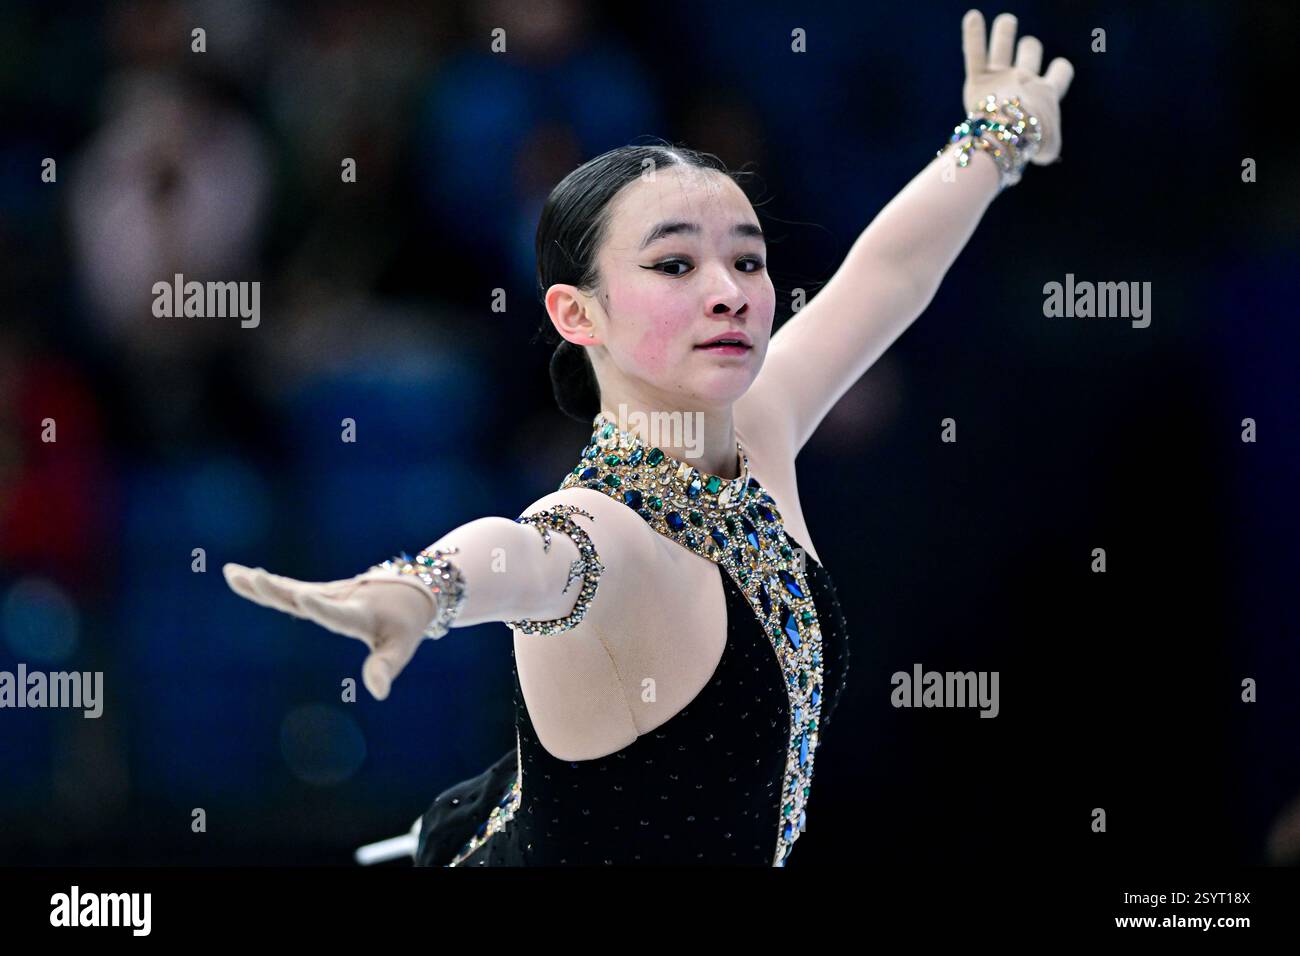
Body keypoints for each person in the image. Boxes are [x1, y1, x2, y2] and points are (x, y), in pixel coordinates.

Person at [223, 10, 1073, 866]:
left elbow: (887, 274)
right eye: (675, 265)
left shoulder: (759, 425)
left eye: (747, 261)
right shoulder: (603, 531)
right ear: (576, 311)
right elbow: (518, 556)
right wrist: (420, 592)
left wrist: (999, 134)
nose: (730, 292)